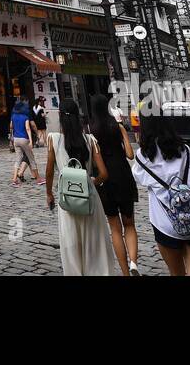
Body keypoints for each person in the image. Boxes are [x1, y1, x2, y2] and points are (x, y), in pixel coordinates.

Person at [133, 114, 190, 276]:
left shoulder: (143, 155)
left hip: (164, 222)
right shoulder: (185, 150)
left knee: (176, 273)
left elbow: (139, 177)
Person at [45, 98, 112, 275]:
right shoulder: (90, 140)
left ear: (60, 116)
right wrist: (91, 181)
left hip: (67, 198)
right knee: (94, 243)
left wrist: (49, 194)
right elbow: (104, 173)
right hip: (89, 197)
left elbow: (50, 171)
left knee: (71, 244)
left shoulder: (53, 139)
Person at [88, 94, 140, 275]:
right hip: (123, 175)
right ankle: (134, 262)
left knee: (115, 229)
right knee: (130, 225)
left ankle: (125, 272)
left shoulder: (90, 131)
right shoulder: (118, 128)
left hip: (105, 180)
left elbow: (93, 160)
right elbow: (130, 154)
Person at [9, 98, 43, 186]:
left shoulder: (13, 116)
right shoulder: (25, 117)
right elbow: (28, 128)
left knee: (18, 159)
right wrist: (31, 141)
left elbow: (11, 127)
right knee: (31, 159)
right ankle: (38, 179)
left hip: (16, 139)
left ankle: (14, 179)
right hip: (24, 139)